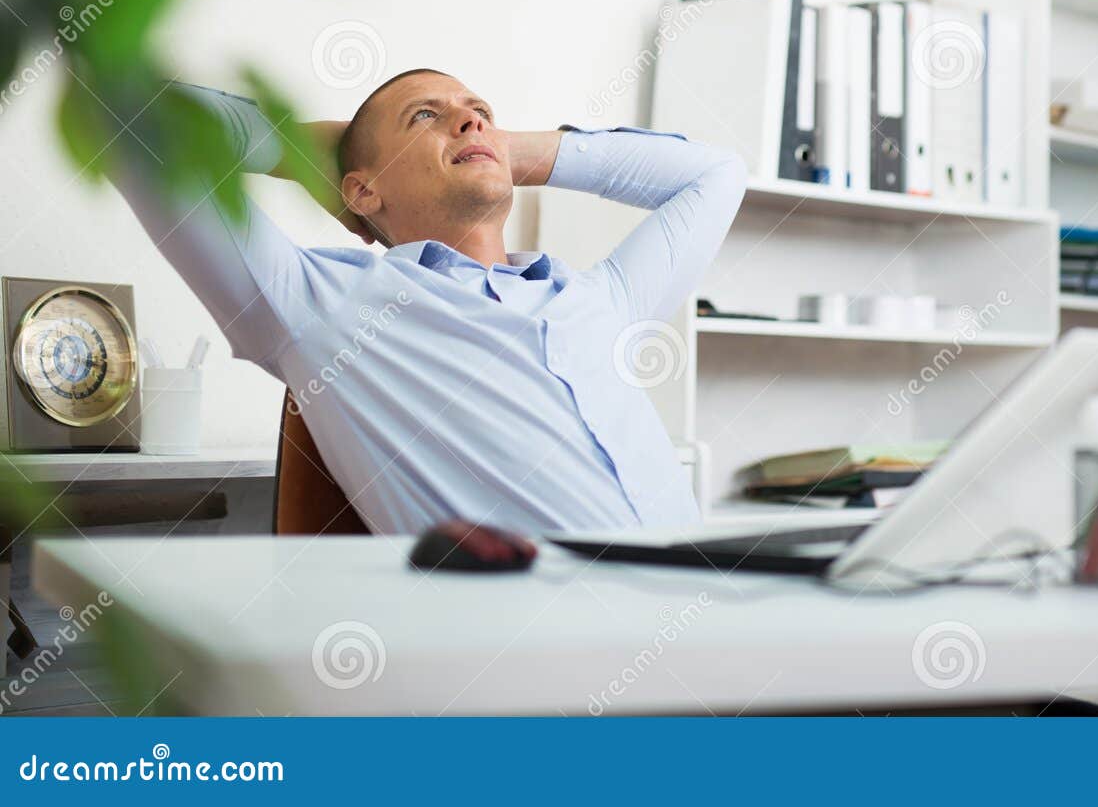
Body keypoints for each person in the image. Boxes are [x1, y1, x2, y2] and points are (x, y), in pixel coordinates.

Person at [111, 71, 746, 534]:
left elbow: (716, 174)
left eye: (480, 110)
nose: (471, 119)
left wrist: (502, 150)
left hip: (721, 643)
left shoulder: (604, 297)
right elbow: (127, 113)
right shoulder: (322, 306)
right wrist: (312, 151)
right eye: (424, 115)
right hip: (563, 688)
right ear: (362, 191)